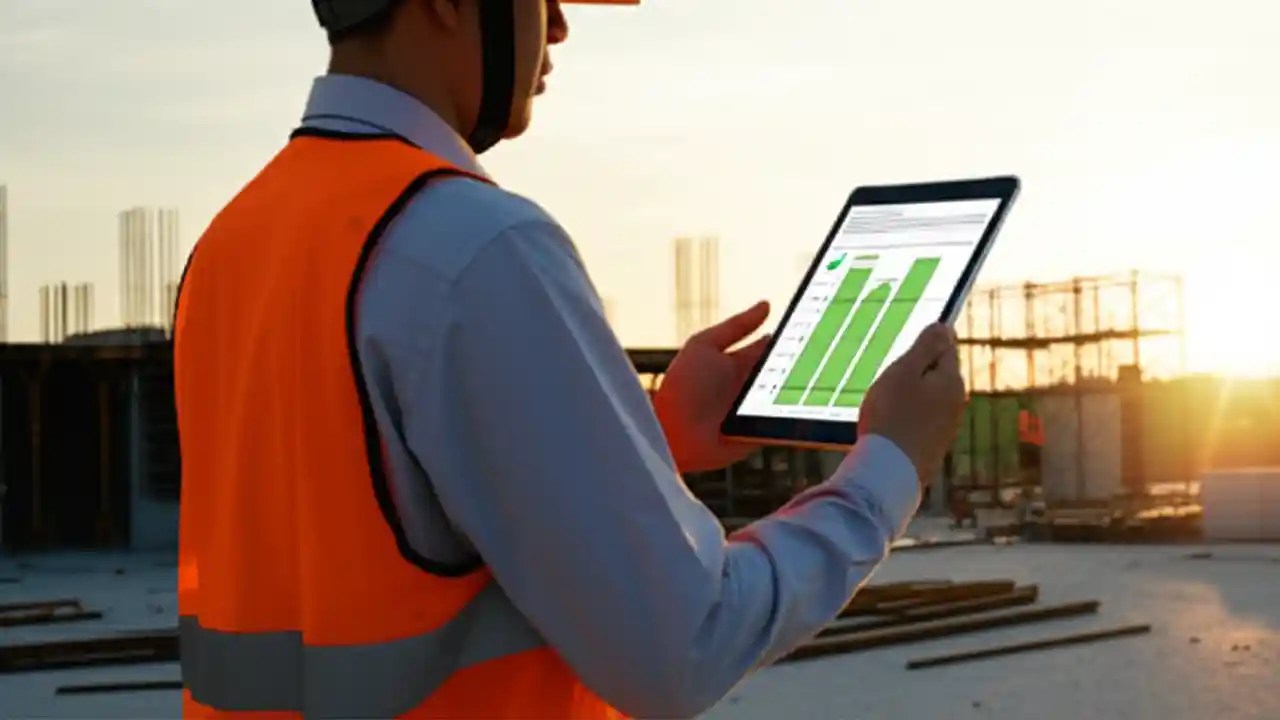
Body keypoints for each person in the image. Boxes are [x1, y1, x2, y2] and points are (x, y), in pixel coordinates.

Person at [171, 0, 968, 717]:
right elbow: (684, 645)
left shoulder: (233, 243)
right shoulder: (475, 247)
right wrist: (886, 472)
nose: (555, 26)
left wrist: (648, 444)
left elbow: (361, 515)